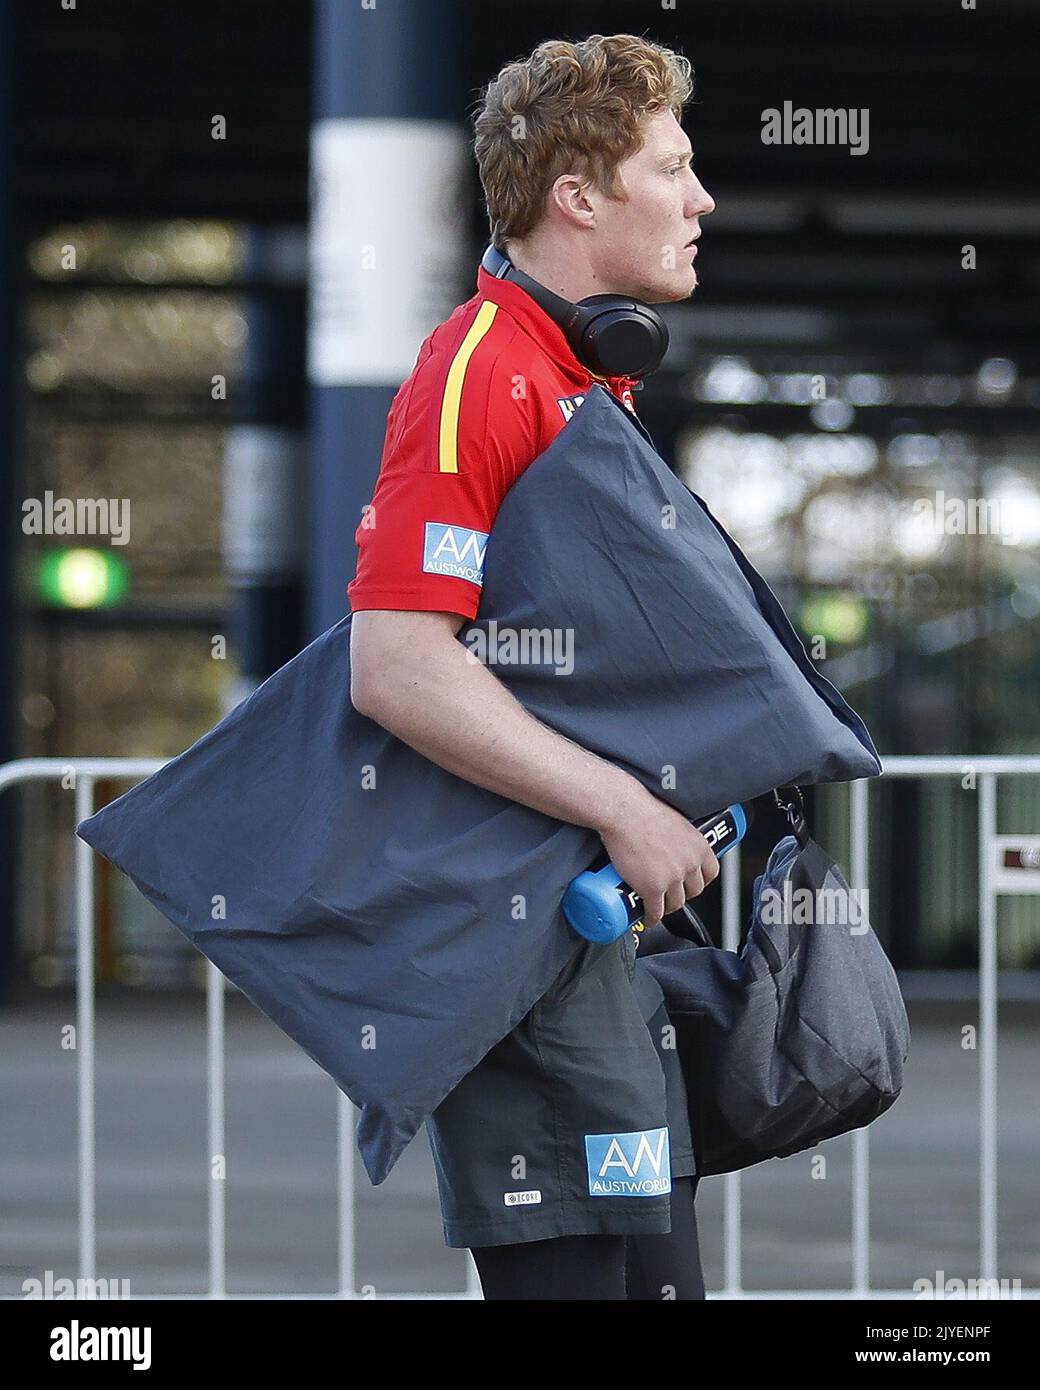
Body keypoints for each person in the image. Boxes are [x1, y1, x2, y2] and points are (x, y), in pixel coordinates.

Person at [347, 32, 717, 1300]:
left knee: (652, 1278)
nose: (700, 198)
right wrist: (621, 804)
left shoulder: (579, 370)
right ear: (577, 198)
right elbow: (394, 665)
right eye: (670, 168)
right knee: (584, 1280)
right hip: (524, 946)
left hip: (594, 946)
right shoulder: (479, 370)